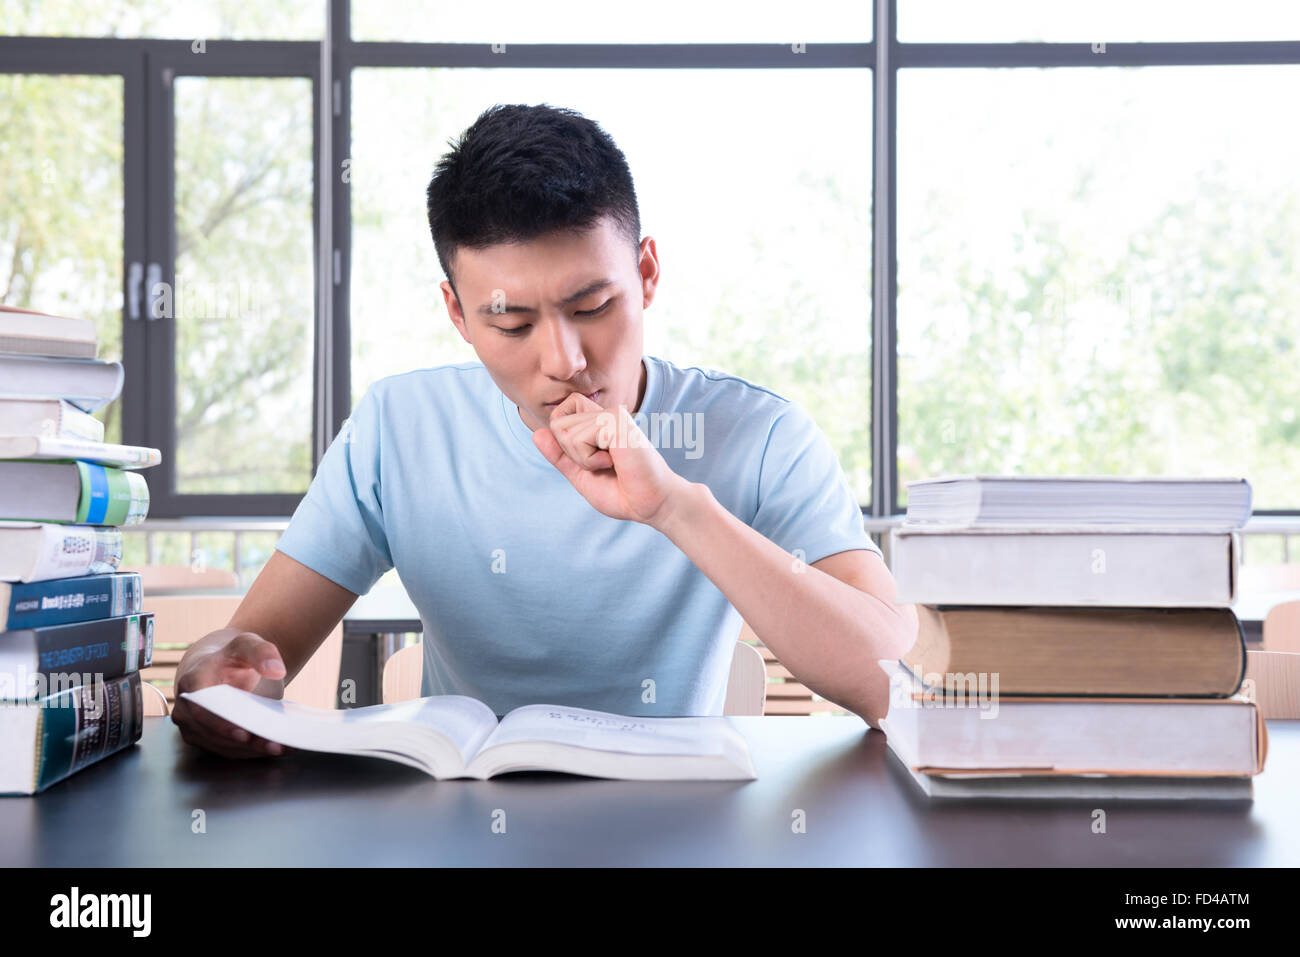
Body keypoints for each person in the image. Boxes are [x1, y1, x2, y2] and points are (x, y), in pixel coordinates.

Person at [171, 103, 918, 759]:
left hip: (675, 830)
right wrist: (211, 674)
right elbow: (249, 653)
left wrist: (675, 508)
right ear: (459, 315)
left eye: (593, 305)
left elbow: (893, 681)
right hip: (459, 830)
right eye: (512, 322)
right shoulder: (397, 427)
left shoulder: (760, 435)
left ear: (648, 272)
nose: (564, 360)